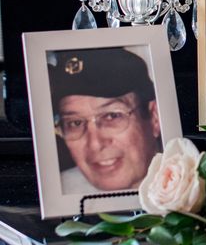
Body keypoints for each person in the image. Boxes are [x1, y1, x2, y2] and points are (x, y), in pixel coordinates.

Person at [50, 47, 161, 196]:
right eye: (75, 123)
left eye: (112, 116)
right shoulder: (61, 191)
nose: (95, 144)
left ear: (154, 118)